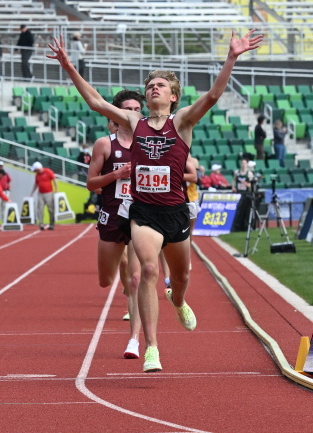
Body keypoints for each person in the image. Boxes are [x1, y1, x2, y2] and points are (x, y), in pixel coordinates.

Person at [48, 27, 262, 373]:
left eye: (160, 85)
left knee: (182, 276)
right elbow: (97, 103)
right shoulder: (135, 121)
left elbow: (212, 96)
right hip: (143, 211)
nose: (153, 88)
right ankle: (152, 348)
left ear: (173, 96)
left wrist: (231, 57)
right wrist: (69, 66)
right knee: (148, 269)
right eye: (150, 86)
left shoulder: (183, 121)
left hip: (175, 212)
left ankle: (178, 299)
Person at [87, 89, 146, 359]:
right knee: (104, 280)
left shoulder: (149, 144)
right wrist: (117, 174)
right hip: (112, 215)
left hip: (140, 215)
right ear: (117, 113)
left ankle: (134, 340)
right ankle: (122, 281)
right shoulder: (104, 144)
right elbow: (91, 183)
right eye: (128, 109)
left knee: (137, 279)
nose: (133, 113)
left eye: (137, 109)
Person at [30, 160, 57, 230]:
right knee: (40, 209)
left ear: (38, 169)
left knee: (51, 209)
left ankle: (52, 224)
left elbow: (55, 180)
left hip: (49, 193)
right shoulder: (37, 175)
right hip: (40, 193)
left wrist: (57, 190)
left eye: (35, 170)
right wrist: (32, 193)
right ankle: (41, 224)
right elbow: (36, 184)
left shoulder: (48, 171)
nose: (35, 171)